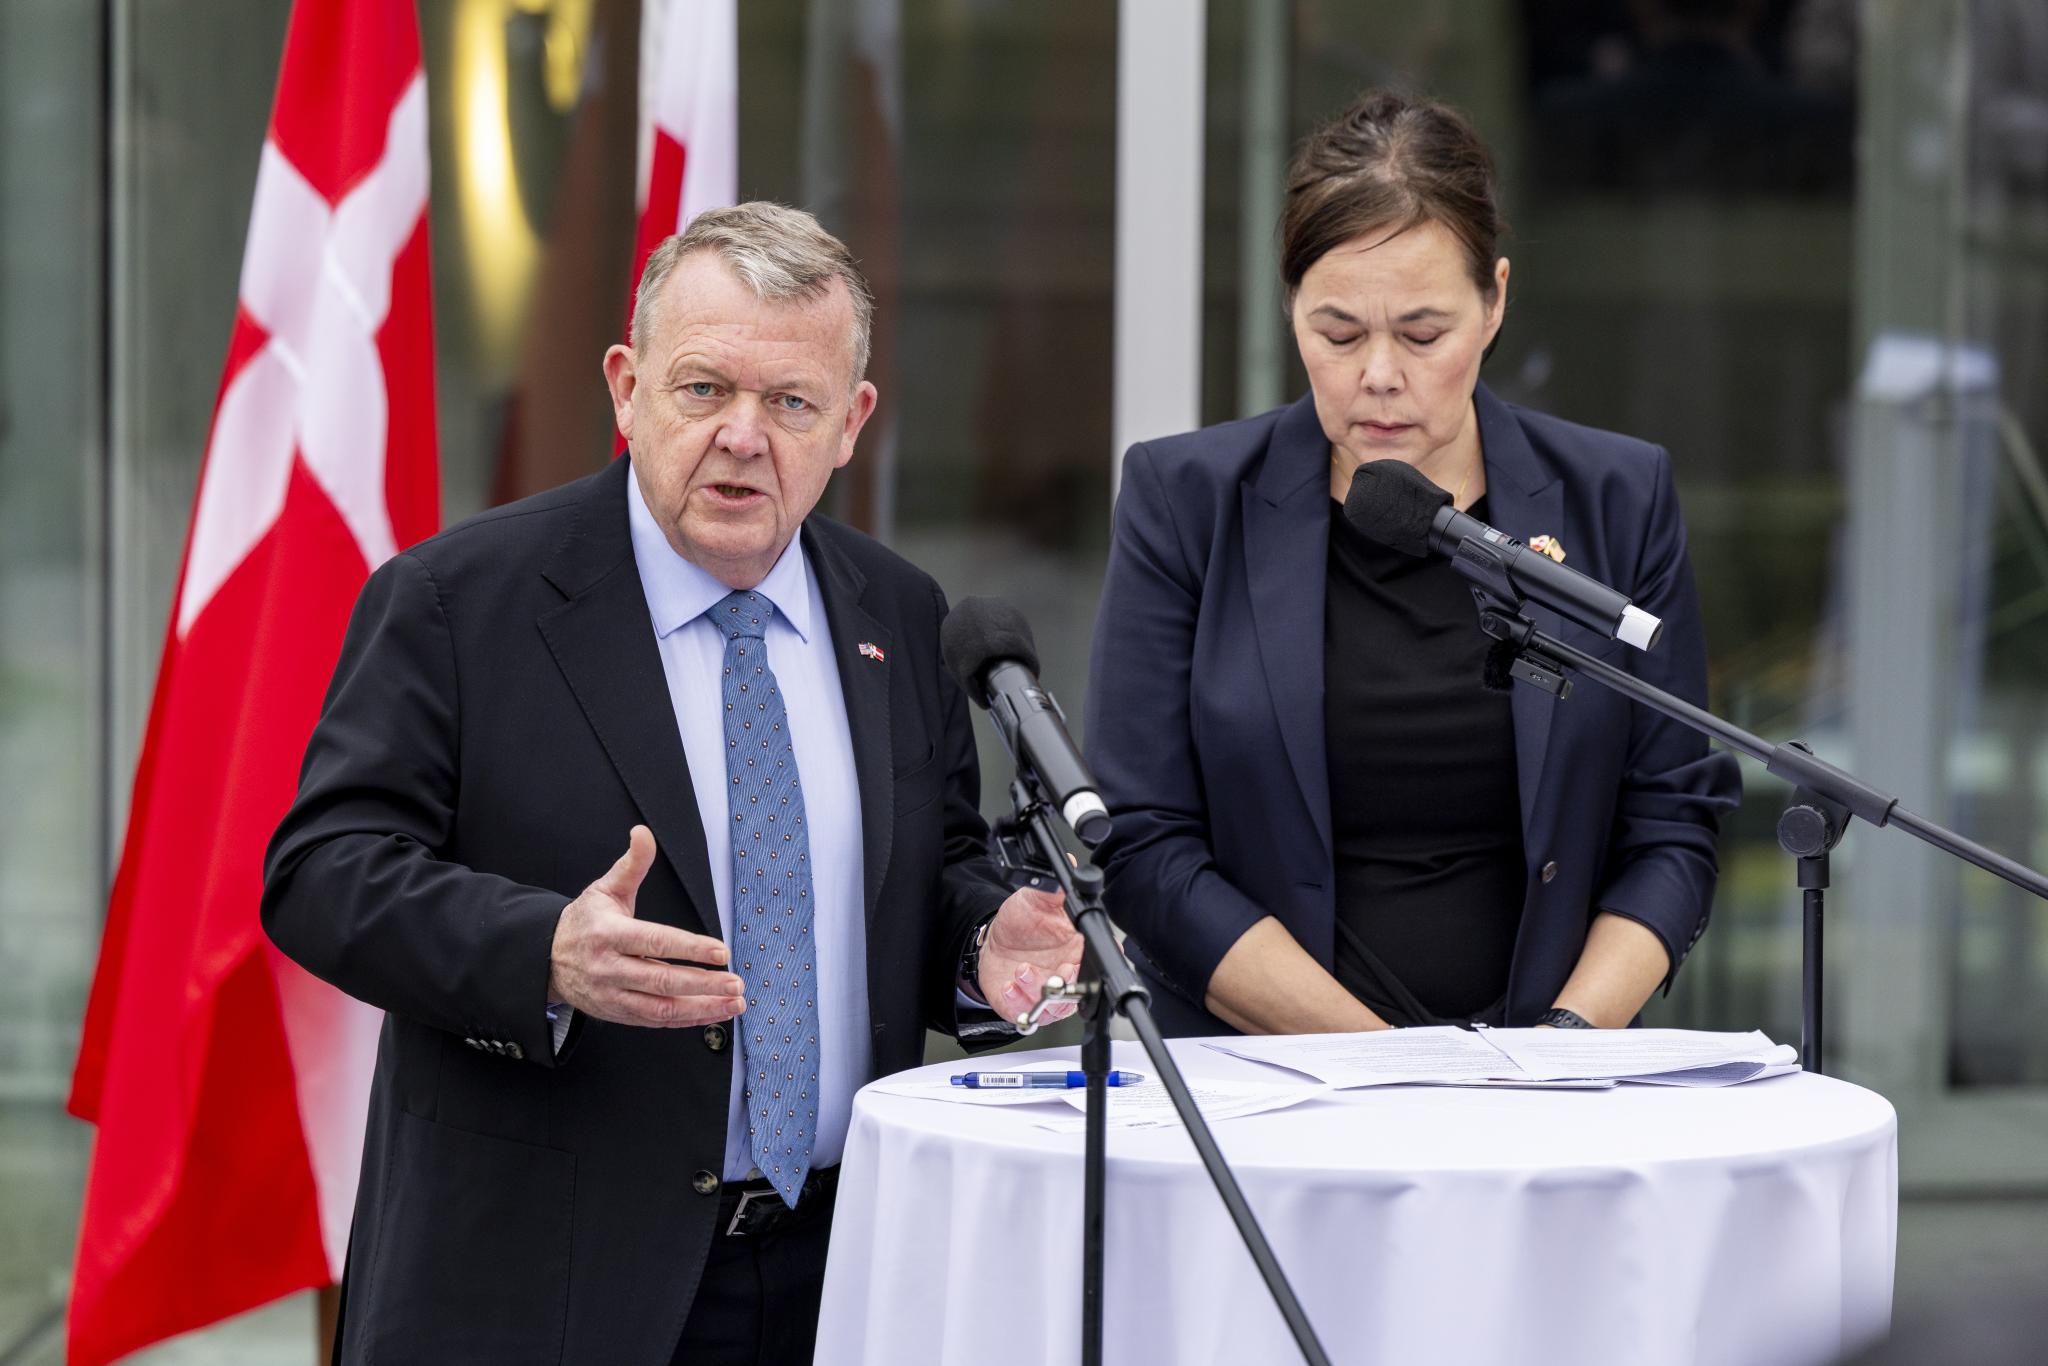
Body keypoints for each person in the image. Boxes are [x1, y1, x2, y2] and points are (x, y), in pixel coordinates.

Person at [262, 202, 1082, 1365]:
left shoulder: (895, 613)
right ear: (624, 386)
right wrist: (542, 948)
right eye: (704, 390)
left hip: (841, 1267)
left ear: (849, 424)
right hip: (545, 1281)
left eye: (790, 402)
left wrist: (983, 943)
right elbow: (320, 874)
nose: (744, 436)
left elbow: (932, 867)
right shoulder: (460, 602)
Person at [1084, 90, 1742, 1038]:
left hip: (1545, 1090)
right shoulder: (1185, 501)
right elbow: (1143, 843)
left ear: (1496, 301)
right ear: (1291, 310)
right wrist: (1393, 1072)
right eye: (1338, 334)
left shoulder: (1616, 496)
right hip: (1271, 1092)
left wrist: (1554, 1052)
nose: (1379, 375)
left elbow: (1673, 821)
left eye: (1423, 333)